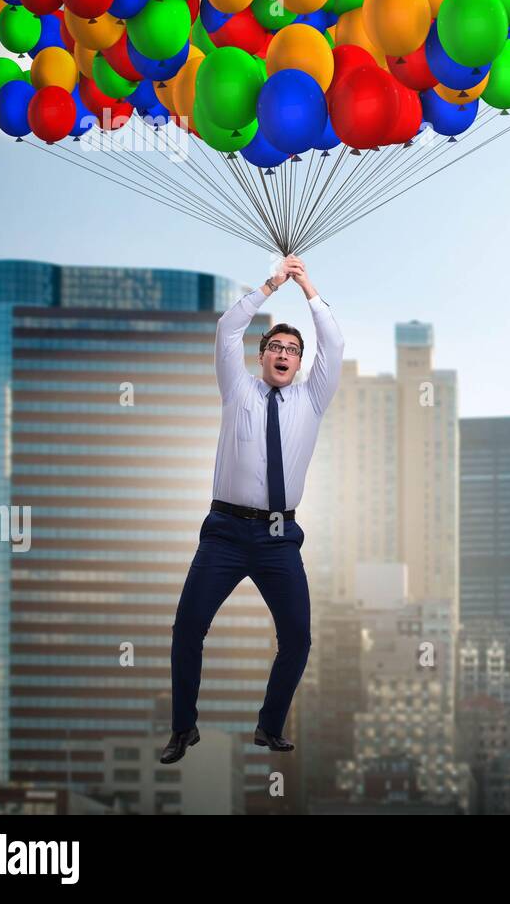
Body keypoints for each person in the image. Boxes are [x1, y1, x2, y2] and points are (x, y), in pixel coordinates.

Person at [160, 254, 343, 763]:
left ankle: (268, 725)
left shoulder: (312, 399)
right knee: (187, 628)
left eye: (293, 350)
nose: (284, 354)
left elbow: (335, 344)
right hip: (223, 531)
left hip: (280, 536)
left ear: (300, 363)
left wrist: (308, 289)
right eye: (276, 347)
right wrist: (271, 284)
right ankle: (183, 728)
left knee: (298, 637)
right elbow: (226, 329)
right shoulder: (237, 389)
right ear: (261, 356)